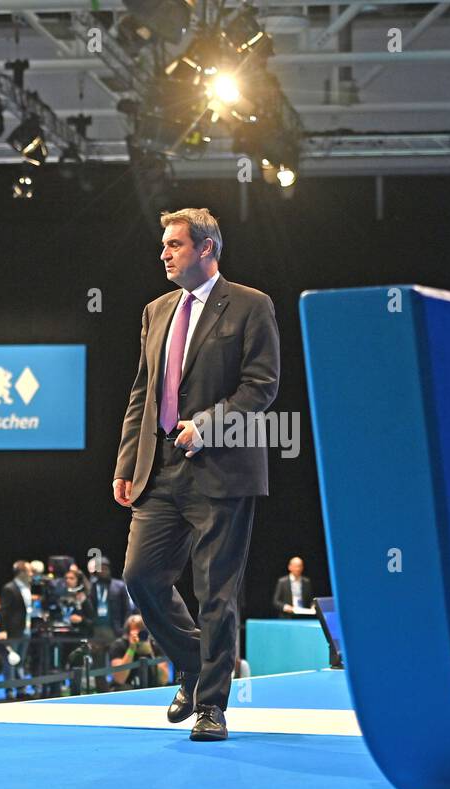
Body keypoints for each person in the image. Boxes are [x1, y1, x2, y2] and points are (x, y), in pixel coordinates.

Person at [113, 207, 280, 741]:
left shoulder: (251, 304)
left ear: (206, 248)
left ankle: (211, 705)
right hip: (158, 467)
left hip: (222, 467)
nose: (163, 253)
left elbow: (261, 386)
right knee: (140, 576)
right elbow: (142, 393)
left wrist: (207, 426)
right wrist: (126, 463)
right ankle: (191, 663)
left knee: (216, 592)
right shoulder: (156, 310)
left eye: (174, 244)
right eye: (164, 244)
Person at [0, 561, 36, 700]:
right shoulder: (9, 588)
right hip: (12, 630)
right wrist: (2, 630)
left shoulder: (27, 587)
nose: (31, 574)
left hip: (26, 629)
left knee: (21, 660)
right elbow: (3, 611)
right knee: (10, 661)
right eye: (29, 571)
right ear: (22, 573)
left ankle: (21, 689)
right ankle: (9, 691)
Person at [109, 614, 169, 688]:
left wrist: (151, 653)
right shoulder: (119, 646)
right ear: (128, 634)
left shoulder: (154, 645)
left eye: (142, 631)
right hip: (126, 690)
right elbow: (119, 679)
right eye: (137, 632)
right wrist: (131, 649)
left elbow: (163, 680)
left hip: (150, 689)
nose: (140, 636)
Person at [89, 557, 130, 643]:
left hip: (114, 627)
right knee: (96, 651)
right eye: (100, 569)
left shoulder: (119, 586)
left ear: (109, 569)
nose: (103, 571)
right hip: (95, 627)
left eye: (105, 568)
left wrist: (124, 628)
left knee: (114, 649)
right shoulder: (92, 586)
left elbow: (126, 608)